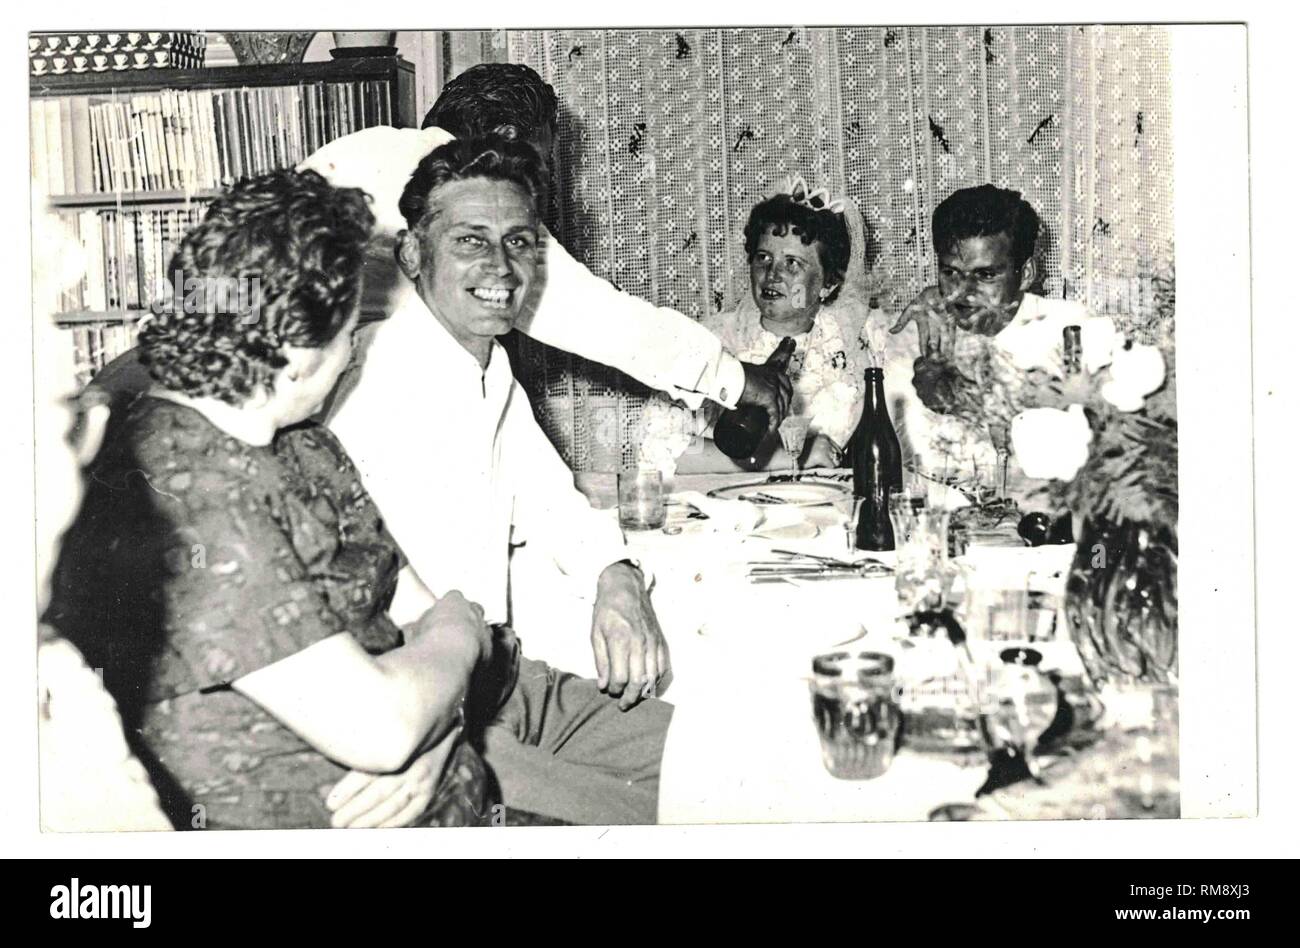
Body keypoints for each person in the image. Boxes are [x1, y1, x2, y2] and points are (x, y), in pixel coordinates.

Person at [46, 169, 498, 830]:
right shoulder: (175, 490)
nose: (354, 354)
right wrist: (463, 634)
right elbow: (384, 726)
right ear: (294, 354)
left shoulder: (305, 448)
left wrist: (441, 726)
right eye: (351, 332)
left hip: (454, 799)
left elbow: (420, 622)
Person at [328, 135, 674, 825]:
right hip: (434, 722)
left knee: (735, 761)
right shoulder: (362, 385)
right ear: (414, 255)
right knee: (675, 823)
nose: (502, 267)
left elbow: (554, 502)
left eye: (519, 243)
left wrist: (617, 577)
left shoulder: (489, 366)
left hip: (512, 686)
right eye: (471, 241)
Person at [298, 61, 791, 432]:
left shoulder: (365, 147)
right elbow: (592, 315)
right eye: (542, 162)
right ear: (511, 138)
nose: (542, 185)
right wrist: (734, 378)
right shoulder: (467, 191)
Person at [637, 177, 875, 475]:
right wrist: (791, 458)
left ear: (827, 283)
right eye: (763, 257)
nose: (772, 274)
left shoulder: (853, 341)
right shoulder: (713, 339)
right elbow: (656, 446)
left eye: (792, 263)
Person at [888, 184, 1096, 417]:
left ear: (1026, 274)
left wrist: (964, 398)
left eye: (985, 275)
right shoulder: (924, 327)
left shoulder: (1068, 329)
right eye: (950, 273)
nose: (963, 291)